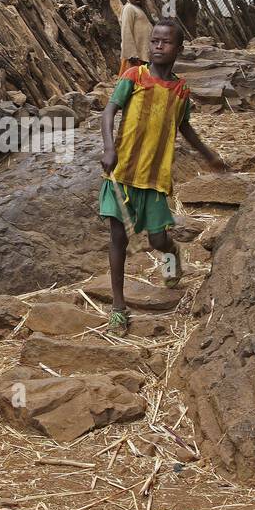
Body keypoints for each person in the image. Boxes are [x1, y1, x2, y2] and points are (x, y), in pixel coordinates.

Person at [100, 18, 226, 333]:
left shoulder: (181, 91)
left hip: (155, 178)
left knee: (158, 240)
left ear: (178, 49)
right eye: (154, 41)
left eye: (165, 42)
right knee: (118, 237)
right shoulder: (134, 76)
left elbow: (184, 127)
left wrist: (209, 155)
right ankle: (118, 305)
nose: (158, 46)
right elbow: (109, 111)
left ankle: (173, 254)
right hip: (124, 172)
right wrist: (107, 148)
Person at [118, 0, 153, 76]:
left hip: (142, 54)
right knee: (130, 81)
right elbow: (126, 31)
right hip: (133, 57)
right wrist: (131, 54)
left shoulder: (141, 9)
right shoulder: (129, 9)